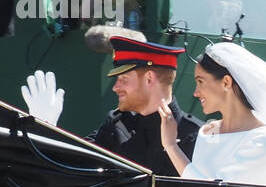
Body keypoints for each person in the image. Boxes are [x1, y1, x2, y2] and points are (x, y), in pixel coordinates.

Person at [21, 31, 204, 176]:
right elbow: (73, 163)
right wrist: (45, 129)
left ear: (149, 79)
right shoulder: (116, 126)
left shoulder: (196, 137)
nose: (115, 87)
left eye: (123, 78)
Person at [159, 41, 266, 185]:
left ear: (226, 82)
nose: (196, 92)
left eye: (200, 82)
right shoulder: (210, 130)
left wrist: (171, 146)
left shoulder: (263, 140)